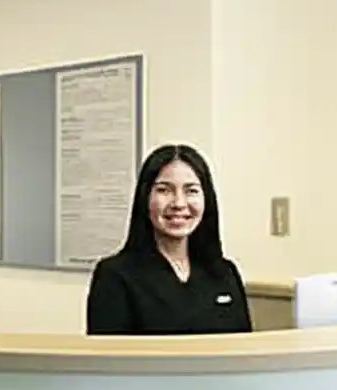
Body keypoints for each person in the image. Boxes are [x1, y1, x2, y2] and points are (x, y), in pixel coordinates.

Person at [86, 143, 252, 335]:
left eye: (191, 191)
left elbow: (242, 349)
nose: (179, 203)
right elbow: (110, 360)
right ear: (145, 198)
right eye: (164, 190)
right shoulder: (115, 276)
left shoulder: (225, 272)